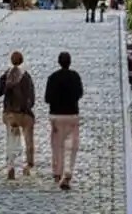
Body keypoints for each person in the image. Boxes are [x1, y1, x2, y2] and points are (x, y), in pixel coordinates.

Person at [44, 51, 84, 190]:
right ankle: (68, 171)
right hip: (72, 114)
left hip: (56, 115)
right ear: (70, 62)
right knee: (72, 146)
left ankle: (57, 171)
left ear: (59, 62)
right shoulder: (75, 76)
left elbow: (47, 98)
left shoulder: (53, 77)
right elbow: (80, 93)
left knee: (57, 145)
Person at [0, 51, 36, 180]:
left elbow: (0, 92)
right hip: (24, 113)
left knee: (11, 138)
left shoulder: (6, 75)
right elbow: (32, 97)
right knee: (28, 139)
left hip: (10, 113)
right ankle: (28, 165)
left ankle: (11, 166)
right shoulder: (26, 76)